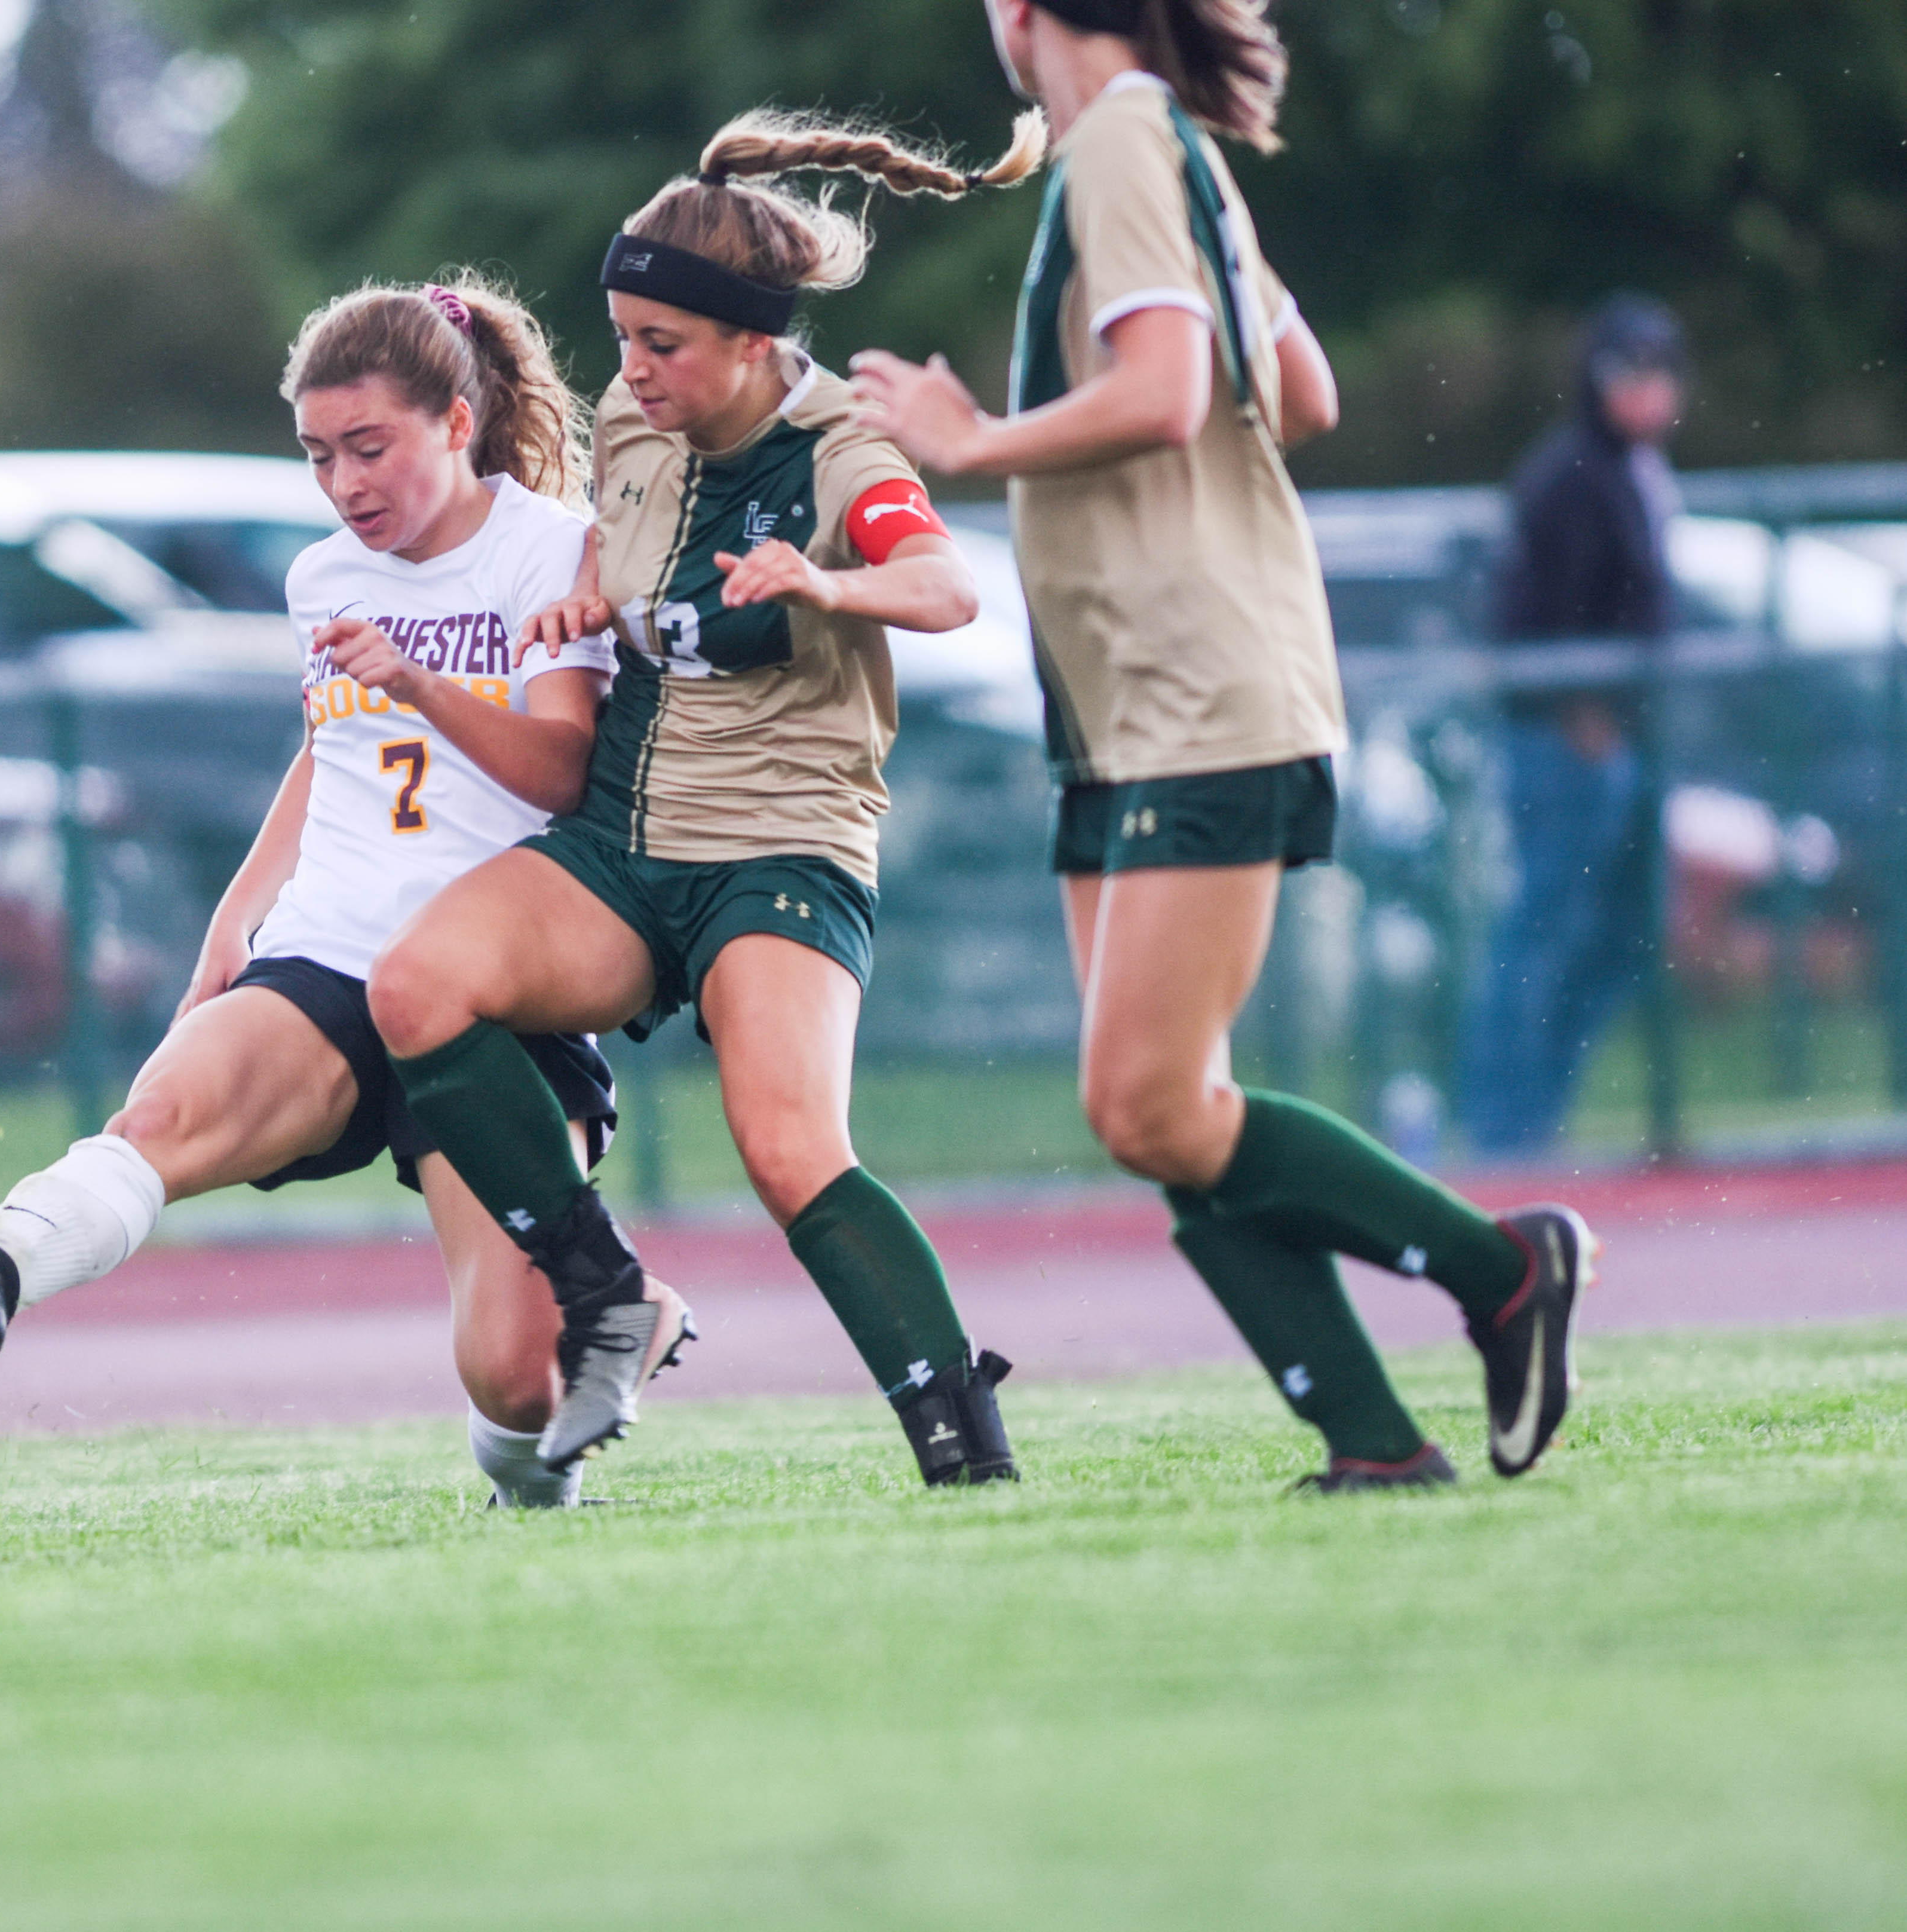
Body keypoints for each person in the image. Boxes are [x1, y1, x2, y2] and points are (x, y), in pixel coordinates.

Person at [848, 0, 1595, 1490]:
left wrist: (972, 441)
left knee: (1147, 1101)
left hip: (1193, 687)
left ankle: (1498, 1269)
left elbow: (1173, 390)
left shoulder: (1123, 138)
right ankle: (1377, 1451)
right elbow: (1296, 392)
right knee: (1161, 1113)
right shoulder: (1157, 147)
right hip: (1126, 701)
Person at [0, 274, 688, 1508]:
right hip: (332, 955)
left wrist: (417, 681)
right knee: (158, 1124)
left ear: (455, 424)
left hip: (492, 987)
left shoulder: (548, 550)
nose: (344, 484)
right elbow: (333, 749)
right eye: (317, 457)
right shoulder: (324, 578)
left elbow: (561, 770)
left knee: (516, 1375)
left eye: (369, 448)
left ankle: (546, 1446)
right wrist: (235, 920)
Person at [364, 111, 1041, 1487]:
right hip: (620, 846)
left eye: (660, 343)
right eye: (621, 337)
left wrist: (827, 583)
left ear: (749, 342)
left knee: (787, 1148)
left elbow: (950, 589)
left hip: (778, 850)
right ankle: (605, 1288)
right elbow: (615, 565)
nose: (630, 369)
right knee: (414, 987)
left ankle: (959, 1441)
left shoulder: (840, 447)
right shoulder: (629, 419)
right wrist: (580, 597)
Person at [1458, 295, 1690, 1155]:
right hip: (1565, 743)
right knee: (1543, 928)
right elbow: (1532, 617)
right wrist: (1577, 710)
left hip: (1618, 741)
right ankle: (1504, 1127)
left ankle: (1536, 1112)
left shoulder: (1637, 470)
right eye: (1629, 374)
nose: (1647, 393)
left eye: (1659, 374)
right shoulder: (1570, 472)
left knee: (1624, 933)